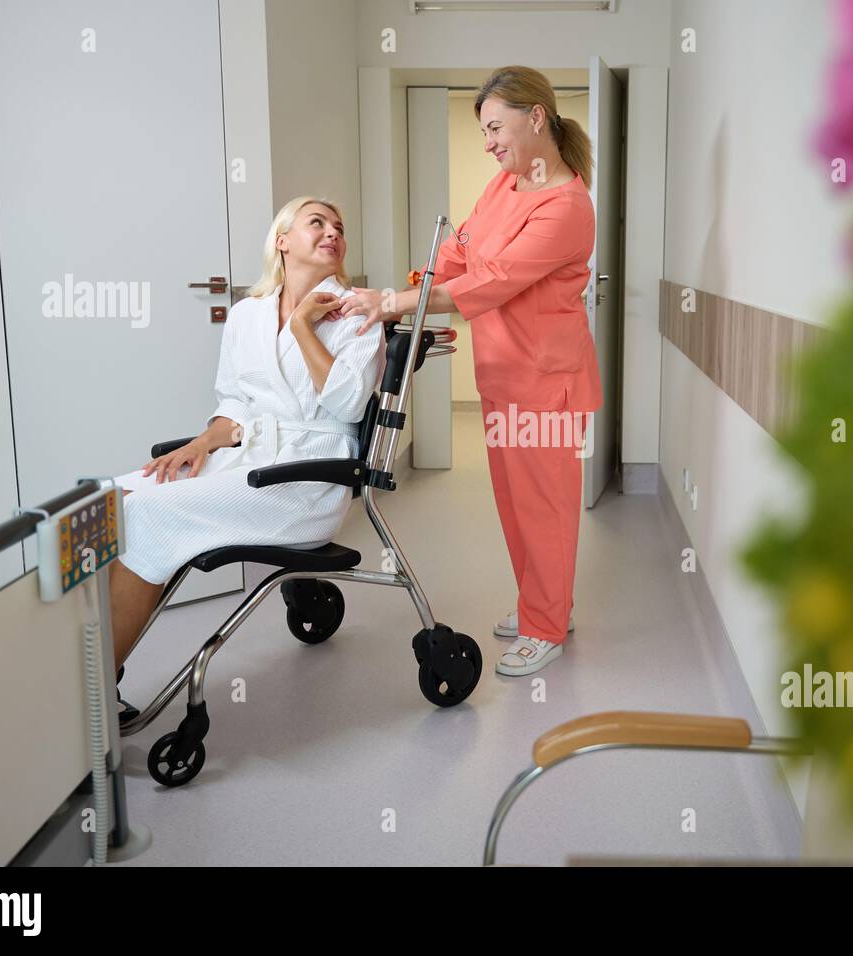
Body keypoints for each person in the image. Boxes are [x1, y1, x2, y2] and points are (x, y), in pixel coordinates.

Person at [339, 66, 600, 677]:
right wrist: (415, 285)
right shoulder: (502, 187)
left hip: (547, 383)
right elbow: (460, 252)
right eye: (482, 133)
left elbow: (491, 280)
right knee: (513, 502)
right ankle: (544, 604)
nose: (488, 143)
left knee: (546, 507)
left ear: (536, 117)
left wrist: (396, 304)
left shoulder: (567, 207)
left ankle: (546, 626)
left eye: (494, 128)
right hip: (503, 373)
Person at [108, 197, 385, 715]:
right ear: (282, 240)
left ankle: (93, 692)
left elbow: (347, 403)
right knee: (110, 498)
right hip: (245, 458)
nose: (332, 233)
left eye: (339, 228)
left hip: (306, 480)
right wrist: (203, 442)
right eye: (317, 223)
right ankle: (86, 664)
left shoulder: (356, 316)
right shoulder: (247, 314)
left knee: (144, 516)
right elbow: (234, 401)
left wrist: (304, 325)